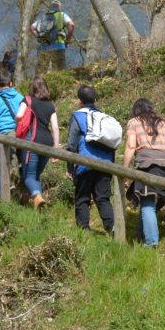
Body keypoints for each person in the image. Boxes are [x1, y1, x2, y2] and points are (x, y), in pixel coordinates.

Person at [122, 98, 165, 248]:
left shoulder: (134, 122)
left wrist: (124, 171)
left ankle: (151, 242)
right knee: (149, 201)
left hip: (146, 165)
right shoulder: (164, 124)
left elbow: (131, 147)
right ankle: (141, 233)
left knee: (147, 204)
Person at [65, 84, 115, 232]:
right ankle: (112, 228)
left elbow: (72, 145)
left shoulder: (78, 116)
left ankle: (83, 231)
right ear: (95, 99)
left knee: (82, 199)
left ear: (80, 100)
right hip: (105, 164)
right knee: (103, 199)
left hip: (85, 164)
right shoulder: (104, 117)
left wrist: (70, 168)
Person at [14, 77, 59, 211]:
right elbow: (55, 128)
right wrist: (56, 148)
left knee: (29, 177)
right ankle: (35, 204)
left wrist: (18, 127)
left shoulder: (27, 100)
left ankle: (37, 197)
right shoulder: (50, 105)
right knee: (35, 175)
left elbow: (18, 115)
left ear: (33, 88)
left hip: (32, 140)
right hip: (47, 143)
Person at [0, 70, 23, 197]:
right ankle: (16, 189)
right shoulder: (20, 97)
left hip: (0, 134)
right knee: (15, 161)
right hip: (16, 133)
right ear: (11, 83)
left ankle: (0, 196)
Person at [33, 0, 74, 70]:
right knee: (59, 71)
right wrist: (68, 39)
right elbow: (71, 25)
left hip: (44, 47)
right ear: (59, 8)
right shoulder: (62, 15)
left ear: (50, 7)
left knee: (41, 72)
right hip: (59, 46)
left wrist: (38, 37)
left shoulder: (43, 17)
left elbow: (32, 28)